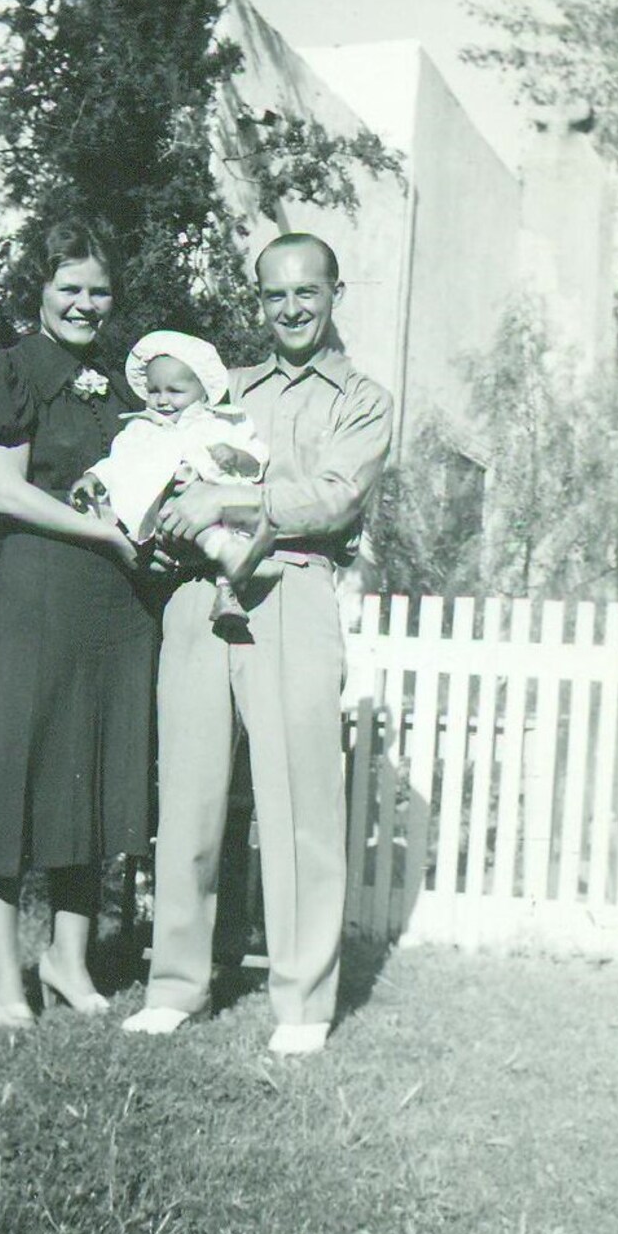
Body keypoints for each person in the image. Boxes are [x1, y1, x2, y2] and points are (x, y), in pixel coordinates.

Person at [123, 233, 392, 1056]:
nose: (291, 308)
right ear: (258, 300)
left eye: (307, 292)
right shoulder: (224, 386)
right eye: (274, 295)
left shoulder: (362, 398)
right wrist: (173, 505)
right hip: (199, 593)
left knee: (301, 801)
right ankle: (175, 984)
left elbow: (335, 498)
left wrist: (226, 495)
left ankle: (303, 1004)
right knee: (191, 796)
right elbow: (163, 463)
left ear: (334, 292)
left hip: (294, 590)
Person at [0, 219, 159, 1027]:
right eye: (69, 286)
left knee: (92, 776)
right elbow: (4, 491)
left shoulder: (124, 387)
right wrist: (104, 530)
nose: (85, 303)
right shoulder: (2, 372)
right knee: (14, 777)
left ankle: (68, 959)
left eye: (99, 290)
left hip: (115, 608)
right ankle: (0, 971)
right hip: (39, 597)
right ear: (37, 291)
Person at [69, 329, 278, 631]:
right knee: (181, 513)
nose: (162, 400)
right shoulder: (143, 427)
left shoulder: (223, 421)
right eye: (154, 391)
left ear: (203, 391)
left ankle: (227, 593)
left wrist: (235, 456)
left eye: (175, 391)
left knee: (229, 516)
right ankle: (230, 559)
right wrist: (93, 476)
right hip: (166, 510)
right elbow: (118, 461)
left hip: (217, 505)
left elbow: (257, 458)